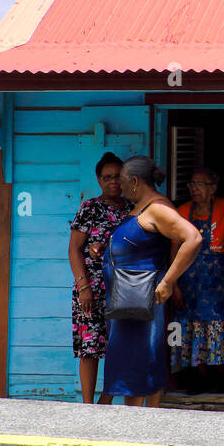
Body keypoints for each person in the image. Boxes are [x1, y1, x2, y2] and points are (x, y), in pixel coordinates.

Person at [102, 156, 202, 407]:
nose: (120, 187)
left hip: (140, 298)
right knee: (132, 360)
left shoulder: (158, 208)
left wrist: (168, 281)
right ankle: (138, 421)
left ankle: (142, 423)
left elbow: (192, 238)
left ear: (135, 181)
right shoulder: (141, 207)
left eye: (123, 182)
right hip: (126, 300)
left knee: (140, 359)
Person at [68, 152, 132, 404]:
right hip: (92, 287)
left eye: (117, 177)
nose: (113, 182)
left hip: (125, 287)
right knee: (90, 348)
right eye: (107, 177)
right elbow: (74, 249)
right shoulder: (90, 208)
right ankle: (87, 405)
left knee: (122, 346)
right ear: (98, 179)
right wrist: (84, 287)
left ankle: (107, 398)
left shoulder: (132, 208)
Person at [171, 167, 224, 393]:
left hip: (216, 283)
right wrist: (173, 283)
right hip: (188, 282)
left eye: (199, 184)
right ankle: (194, 378)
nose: (194, 189)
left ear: (213, 188)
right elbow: (175, 248)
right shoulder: (182, 211)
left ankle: (218, 377)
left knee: (216, 328)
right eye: (191, 184)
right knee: (186, 329)